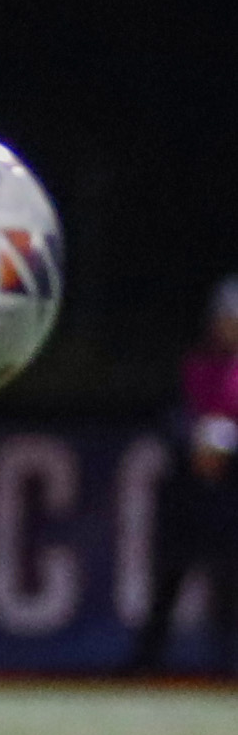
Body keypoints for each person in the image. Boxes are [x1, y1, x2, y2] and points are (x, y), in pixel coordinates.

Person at [126, 277, 238, 672]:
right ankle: (146, 665)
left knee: (228, 587)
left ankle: (225, 669)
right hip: (188, 495)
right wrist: (195, 439)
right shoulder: (194, 364)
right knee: (169, 579)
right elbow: (170, 418)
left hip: (231, 497)